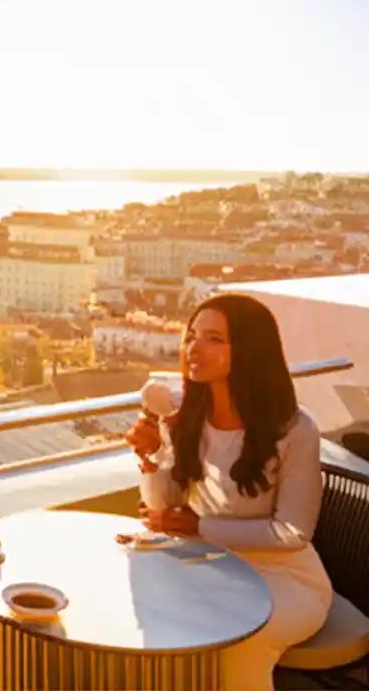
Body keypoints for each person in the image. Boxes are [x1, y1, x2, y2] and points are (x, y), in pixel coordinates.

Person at [126, 293, 331, 691]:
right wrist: (150, 457)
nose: (194, 348)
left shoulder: (295, 429)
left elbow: (293, 532)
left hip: (284, 580)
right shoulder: (185, 414)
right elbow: (164, 506)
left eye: (214, 339)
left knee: (233, 639)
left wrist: (198, 527)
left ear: (251, 349)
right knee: (153, 614)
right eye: (191, 336)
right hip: (211, 566)